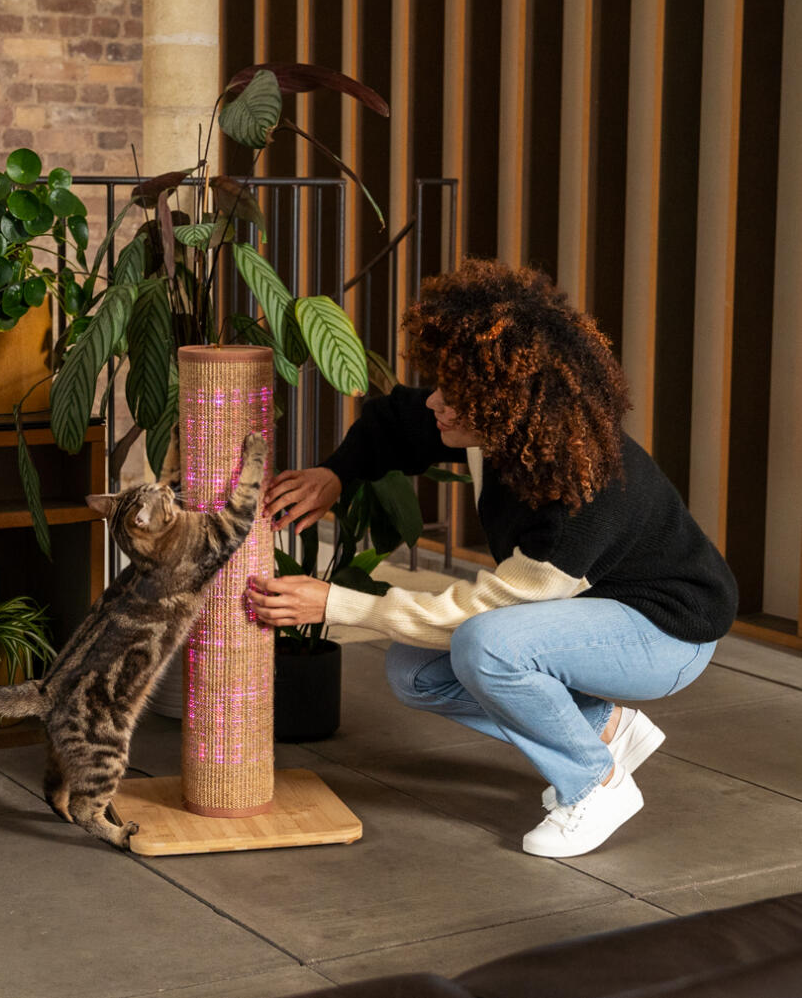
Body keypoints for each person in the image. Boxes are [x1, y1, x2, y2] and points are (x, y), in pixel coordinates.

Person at [247, 257, 738, 858]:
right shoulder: (490, 422)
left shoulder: (581, 497)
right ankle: (604, 729)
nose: (437, 403)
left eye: (456, 397)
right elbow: (393, 419)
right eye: (444, 385)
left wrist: (337, 603)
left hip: (667, 632)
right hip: (591, 610)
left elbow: (484, 612)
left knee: (487, 647)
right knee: (415, 671)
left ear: (510, 406)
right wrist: (335, 474)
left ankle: (597, 782)